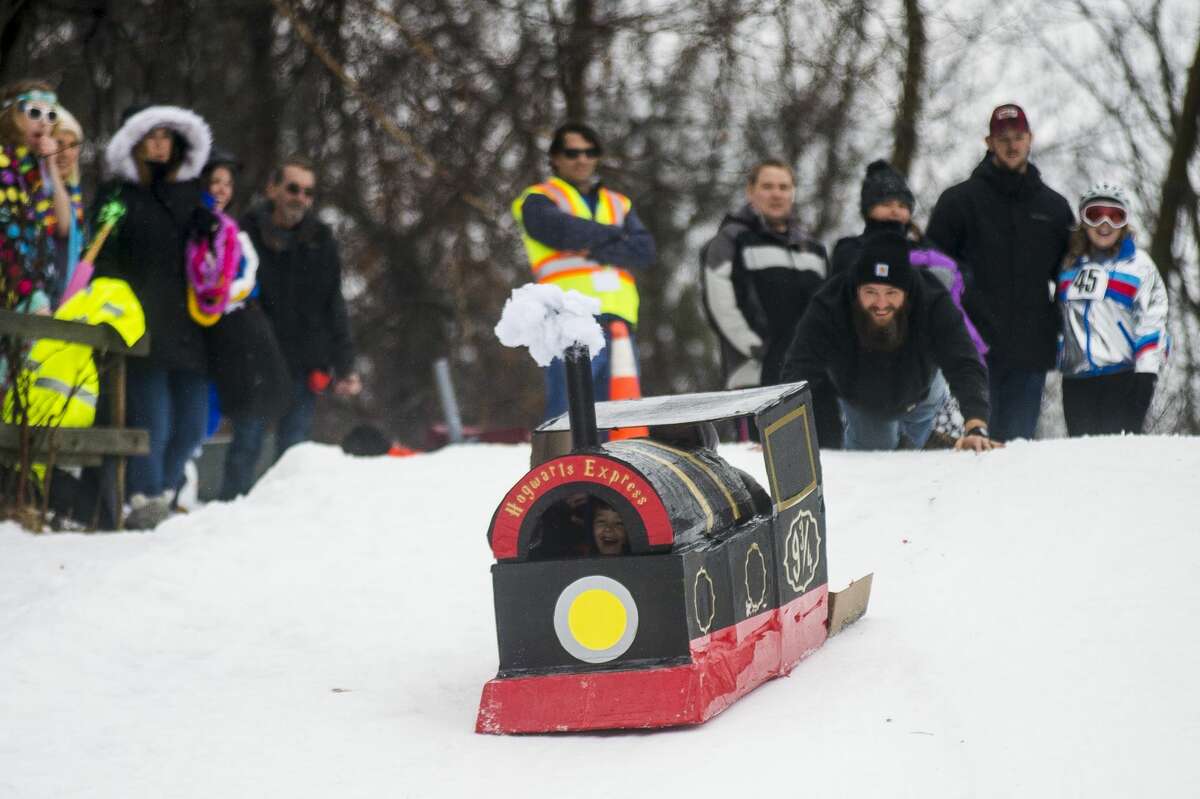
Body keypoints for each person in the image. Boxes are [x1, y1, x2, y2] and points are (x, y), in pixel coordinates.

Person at [93, 104, 214, 528]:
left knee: (194, 424)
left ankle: (166, 492)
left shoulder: (193, 197)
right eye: (152, 135)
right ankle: (145, 501)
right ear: (136, 140)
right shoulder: (118, 197)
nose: (160, 145)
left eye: (168, 136)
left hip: (190, 330)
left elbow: (211, 261)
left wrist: (210, 236)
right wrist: (116, 299)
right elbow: (101, 250)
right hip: (141, 327)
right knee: (152, 424)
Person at [926, 103, 1073, 442]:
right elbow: (932, 269)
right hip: (971, 350)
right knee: (972, 447)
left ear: (1030, 139)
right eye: (1002, 137)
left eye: (1018, 136)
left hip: (1030, 352)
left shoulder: (1054, 208)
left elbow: (1070, 276)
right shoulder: (958, 202)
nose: (1011, 145)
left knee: (1017, 452)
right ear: (989, 142)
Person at [220, 155, 361, 499]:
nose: (300, 197)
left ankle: (286, 518)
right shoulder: (244, 232)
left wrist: (344, 365)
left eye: (308, 192)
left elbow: (333, 303)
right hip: (255, 358)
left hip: (304, 363)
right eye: (293, 188)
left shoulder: (320, 238)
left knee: (294, 453)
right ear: (273, 189)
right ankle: (226, 514)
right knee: (246, 446)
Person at [780, 232, 999, 452]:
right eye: (871, 292)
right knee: (875, 458)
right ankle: (901, 442)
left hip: (922, 386)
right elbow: (801, 365)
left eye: (891, 293)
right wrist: (785, 432)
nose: (881, 303)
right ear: (856, 292)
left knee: (930, 419)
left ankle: (922, 438)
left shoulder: (932, 298)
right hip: (863, 396)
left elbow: (963, 361)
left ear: (907, 293)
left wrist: (976, 426)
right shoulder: (831, 303)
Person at [834, 160, 989, 445]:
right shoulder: (851, 250)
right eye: (885, 202)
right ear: (868, 207)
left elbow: (957, 291)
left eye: (901, 203)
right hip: (868, 360)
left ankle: (918, 444)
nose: (895, 209)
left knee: (919, 428)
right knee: (872, 447)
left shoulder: (927, 252)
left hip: (924, 360)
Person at [512, 122, 655, 421]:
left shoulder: (618, 202)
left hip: (618, 321)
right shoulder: (538, 198)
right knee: (569, 415)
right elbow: (560, 231)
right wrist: (617, 234)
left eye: (590, 152)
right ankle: (561, 467)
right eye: (572, 152)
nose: (582, 159)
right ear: (555, 158)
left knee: (619, 417)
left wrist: (592, 246)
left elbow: (644, 250)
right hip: (569, 317)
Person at [700, 159, 829, 389]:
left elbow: (828, 309)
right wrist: (762, 351)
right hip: (753, 378)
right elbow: (720, 306)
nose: (776, 194)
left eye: (784, 187)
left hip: (813, 378)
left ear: (793, 193)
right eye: (767, 186)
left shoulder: (814, 249)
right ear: (751, 192)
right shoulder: (730, 241)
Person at [1057, 184, 1168, 436]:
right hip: (1076, 380)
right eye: (1095, 215)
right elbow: (1056, 317)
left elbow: (1153, 322)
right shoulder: (1069, 267)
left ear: (1125, 223)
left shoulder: (1140, 267)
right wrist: (1059, 352)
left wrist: (1146, 375)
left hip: (1122, 378)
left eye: (1115, 216)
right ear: (1084, 221)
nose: (1105, 223)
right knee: (1081, 456)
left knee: (1116, 458)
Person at [0, 80, 70, 314]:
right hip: (12, 287)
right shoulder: (3, 162)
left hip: (40, 285)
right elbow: (8, 230)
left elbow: (64, 225)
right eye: (34, 112)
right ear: (12, 115)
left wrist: (51, 166)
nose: (43, 121)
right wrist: (27, 291)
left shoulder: (39, 171)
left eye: (51, 115)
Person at [49, 107, 86, 308]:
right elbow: (63, 226)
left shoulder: (74, 195)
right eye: (59, 143)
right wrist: (50, 169)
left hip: (66, 301)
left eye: (73, 146)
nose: (66, 153)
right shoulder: (34, 189)